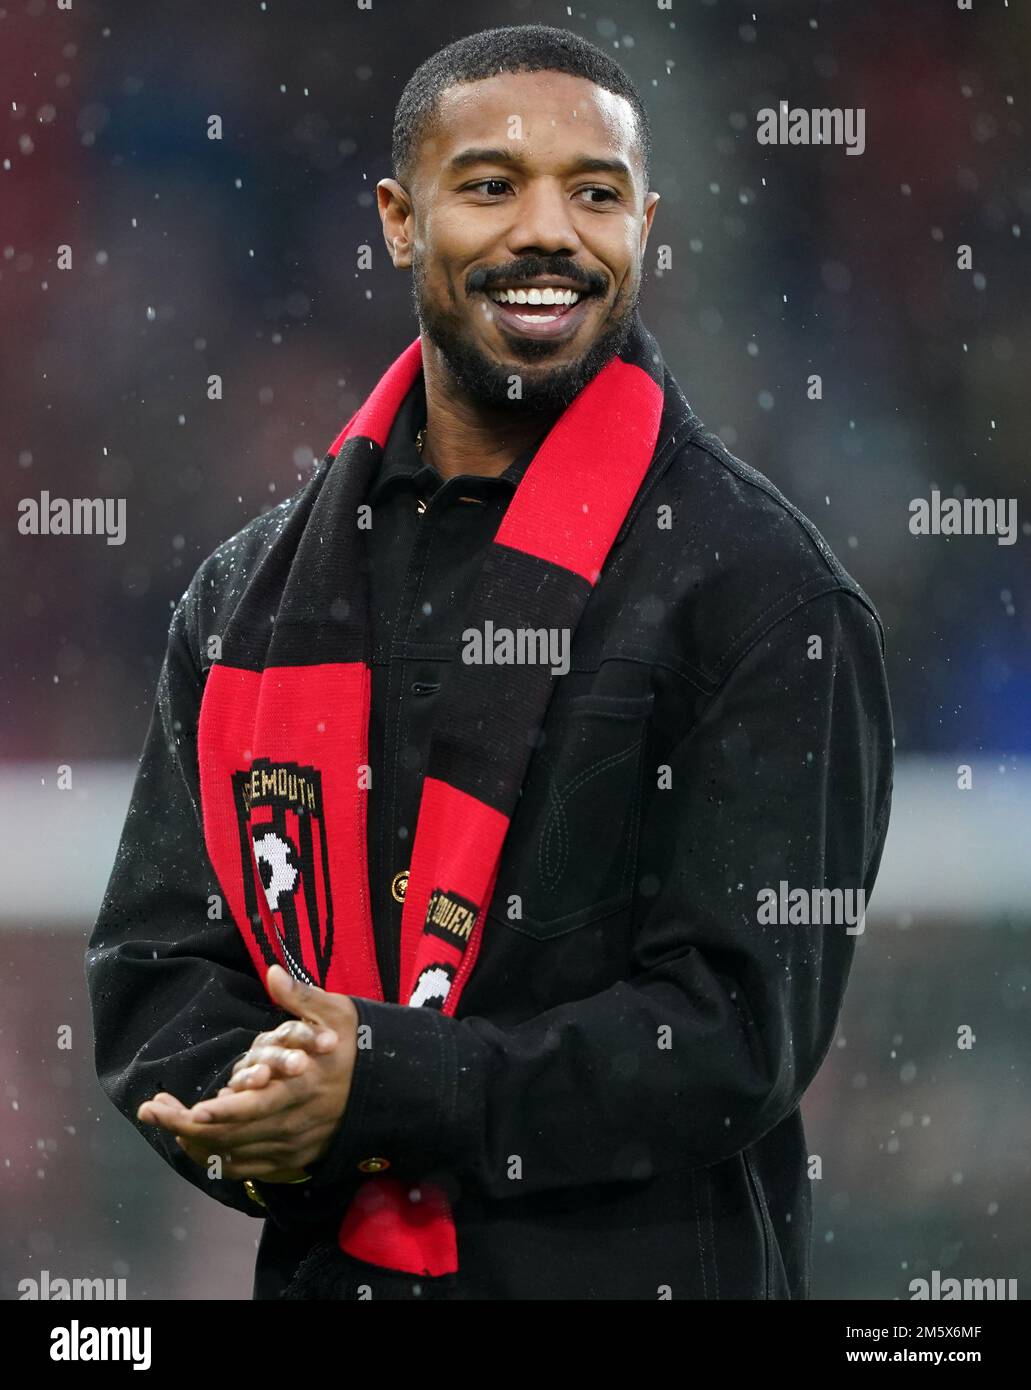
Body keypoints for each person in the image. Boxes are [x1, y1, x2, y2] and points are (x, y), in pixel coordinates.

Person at [86, 24, 894, 1301]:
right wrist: (263, 1111)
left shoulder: (761, 594)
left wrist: (388, 1090)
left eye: (594, 193)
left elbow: (738, 1032)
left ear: (645, 226)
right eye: (489, 186)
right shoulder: (243, 598)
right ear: (401, 221)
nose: (547, 233)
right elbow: (152, 974)